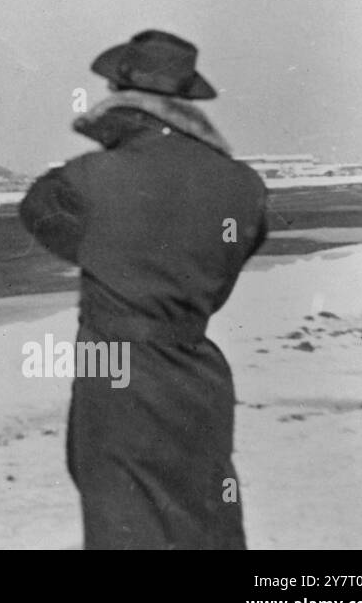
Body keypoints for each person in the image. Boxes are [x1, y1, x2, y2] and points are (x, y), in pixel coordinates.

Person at [19, 29, 269, 549]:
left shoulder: (84, 179)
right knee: (203, 519)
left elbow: (41, 212)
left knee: (124, 520)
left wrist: (116, 261)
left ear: (123, 96)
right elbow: (224, 266)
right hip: (198, 372)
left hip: (112, 368)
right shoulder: (243, 185)